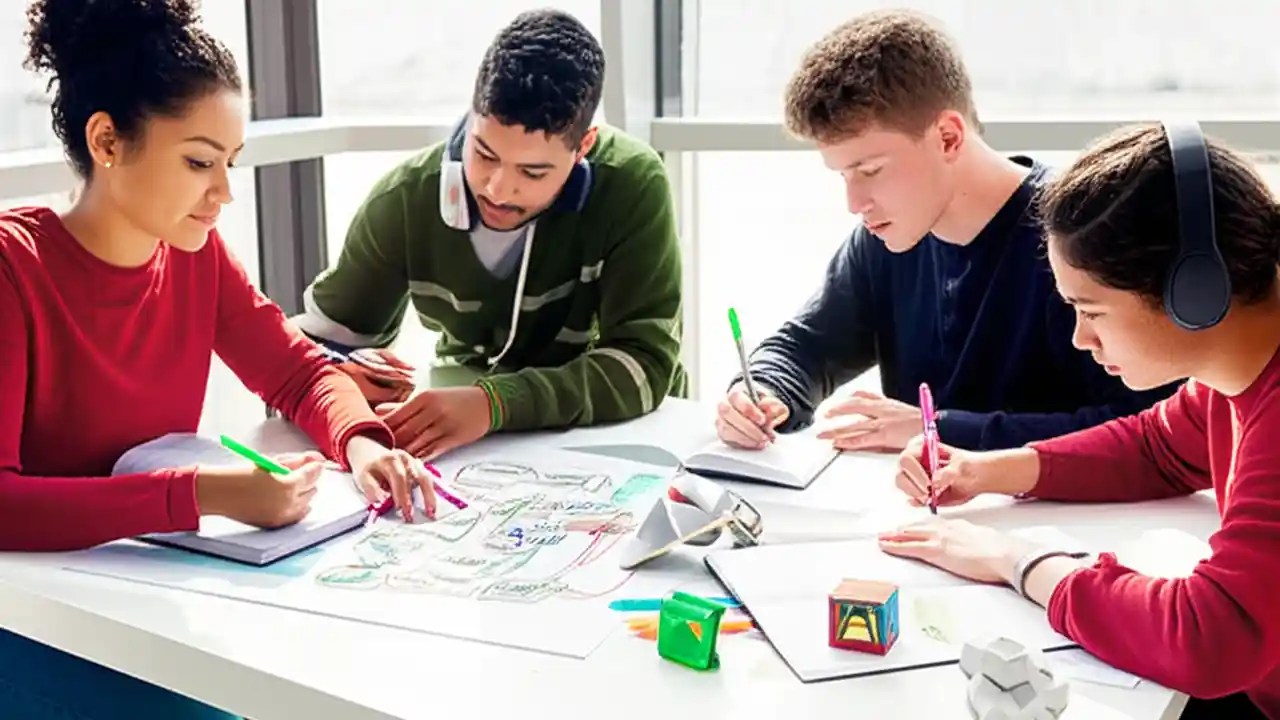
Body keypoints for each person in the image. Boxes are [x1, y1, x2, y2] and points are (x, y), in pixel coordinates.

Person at [1, 1, 432, 717]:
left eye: (230, 163)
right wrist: (204, 494)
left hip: (157, 606)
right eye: (200, 162)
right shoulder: (14, 271)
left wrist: (359, 443)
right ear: (107, 140)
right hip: (40, 628)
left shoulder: (192, 258)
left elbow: (297, 371)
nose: (225, 193)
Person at [880, 122, 1280, 719]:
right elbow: (1158, 447)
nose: (1079, 337)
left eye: (1090, 310)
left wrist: (1015, 562)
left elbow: (1210, 636)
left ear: (1193, 290)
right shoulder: (1237, 375)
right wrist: (989, 470)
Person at [714, 10, 1172, 454]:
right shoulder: (885, 239)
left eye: (870, 170)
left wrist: (941, 428)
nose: (854, 203)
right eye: (843, 176)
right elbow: (806, 346)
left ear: (948, 138)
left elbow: (1158, 426)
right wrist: (762, 393)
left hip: (1075, 526)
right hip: (932, 518)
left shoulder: (1082, 234)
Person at [294, 9, 686, 460]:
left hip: (623, 443)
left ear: (584, 146)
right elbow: (304, 356)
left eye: (532, 172)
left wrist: (495, 403)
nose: (498, 189)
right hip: (468, 452)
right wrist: (339, 372)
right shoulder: (406, 196)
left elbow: (643, 367)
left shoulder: (632, 182)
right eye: (483, 154)